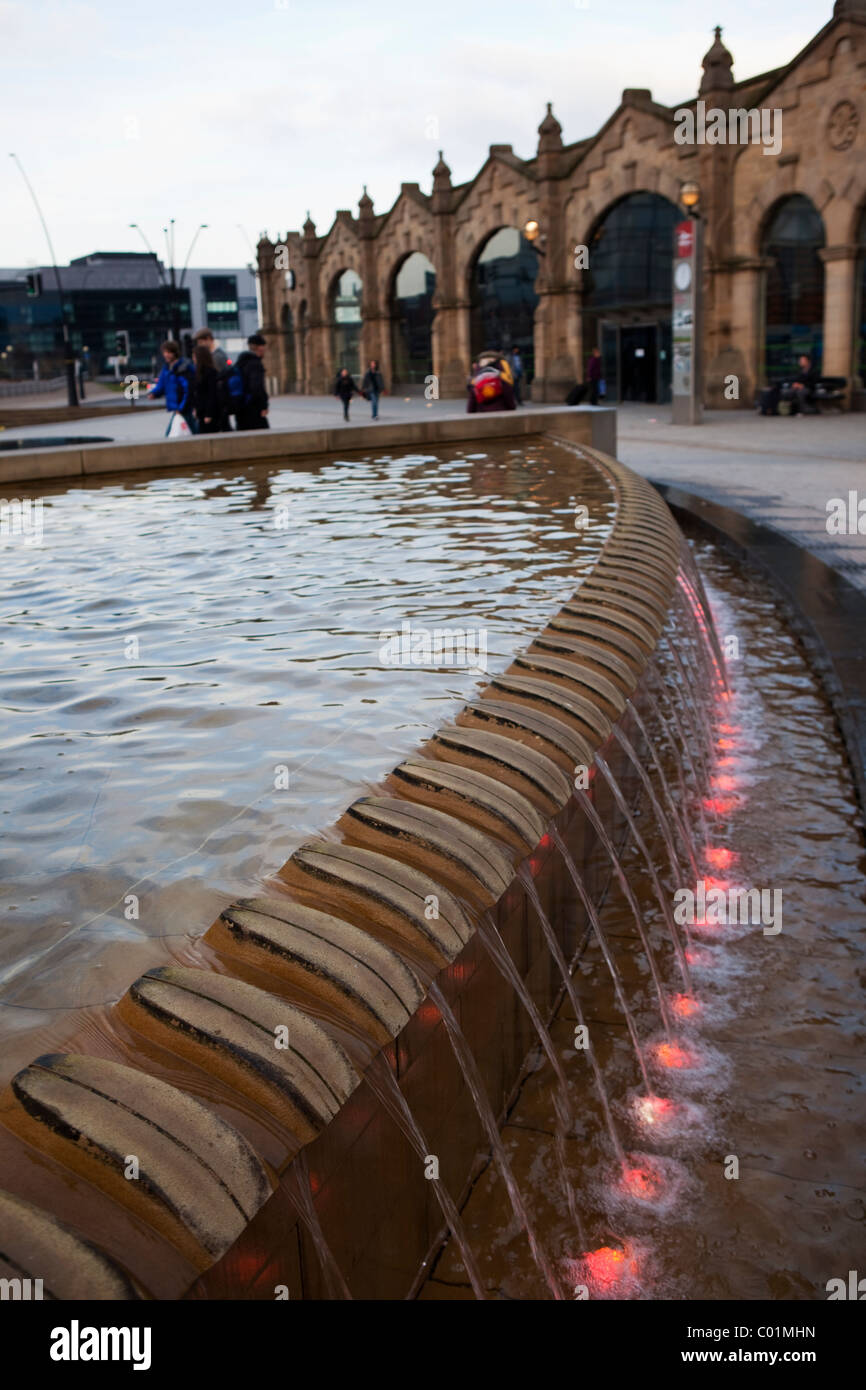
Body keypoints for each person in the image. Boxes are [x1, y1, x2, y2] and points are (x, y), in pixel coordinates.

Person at [147, 339, 196, 433]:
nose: (166, 355)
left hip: (183, 408)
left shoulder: (183, 368)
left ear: (175, 353)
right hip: (177, 408)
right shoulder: (166, 369)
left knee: (175, 433)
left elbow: (188, 390)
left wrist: (182, 407)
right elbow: (161, 385)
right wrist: (154, 394)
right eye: (165, 352)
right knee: (191, 430)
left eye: (169, 352)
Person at [233, 333, 269, 430]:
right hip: (253, 408)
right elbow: (256, 387)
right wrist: (263, 406)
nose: (265, 350)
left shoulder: (240, 362)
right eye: (264, 347)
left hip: (240, 407)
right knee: (264, 437)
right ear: (259, 347)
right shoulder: (255, 364)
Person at [192, 342, 222, 433]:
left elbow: (212, 394)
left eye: (194, 356)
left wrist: (209, 414)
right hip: (202, 412)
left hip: (209, 413)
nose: (193, 359)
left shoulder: (210, 372)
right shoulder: (198, 372)